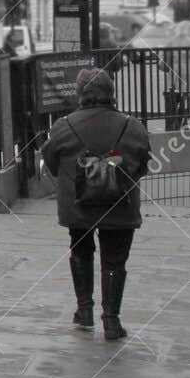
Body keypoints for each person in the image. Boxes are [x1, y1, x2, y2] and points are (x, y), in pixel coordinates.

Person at [40, 69, 149, 341]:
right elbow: (142, 165)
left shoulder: (63, 125)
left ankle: (84, 311)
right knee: (115, 260)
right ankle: (112, 321)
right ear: (110, 93)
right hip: (120, 204)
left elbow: (51, 164)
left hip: (78, 206)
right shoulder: (132, 126)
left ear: (80, 94)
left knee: (81, 250)